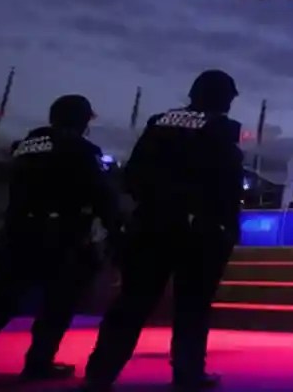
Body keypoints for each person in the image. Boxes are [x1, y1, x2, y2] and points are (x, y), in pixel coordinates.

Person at [81, 70, 243, 392]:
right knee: (193, 306)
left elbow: (133, 174)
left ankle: (100, 373)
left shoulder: (159, 123)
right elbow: (225, 182)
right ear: (224, 98)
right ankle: (187, 374)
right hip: (199, 230)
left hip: (151, 224)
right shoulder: (223, 130)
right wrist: (227, 228)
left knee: (132, 302)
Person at [0, 95, 122, 382]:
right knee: (58, 304)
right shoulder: (82, 149)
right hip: (60, 236)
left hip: (17, 232)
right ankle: (38, 363)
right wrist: (117, 230)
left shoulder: (24, 146)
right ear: (80, 119)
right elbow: (101, 194)